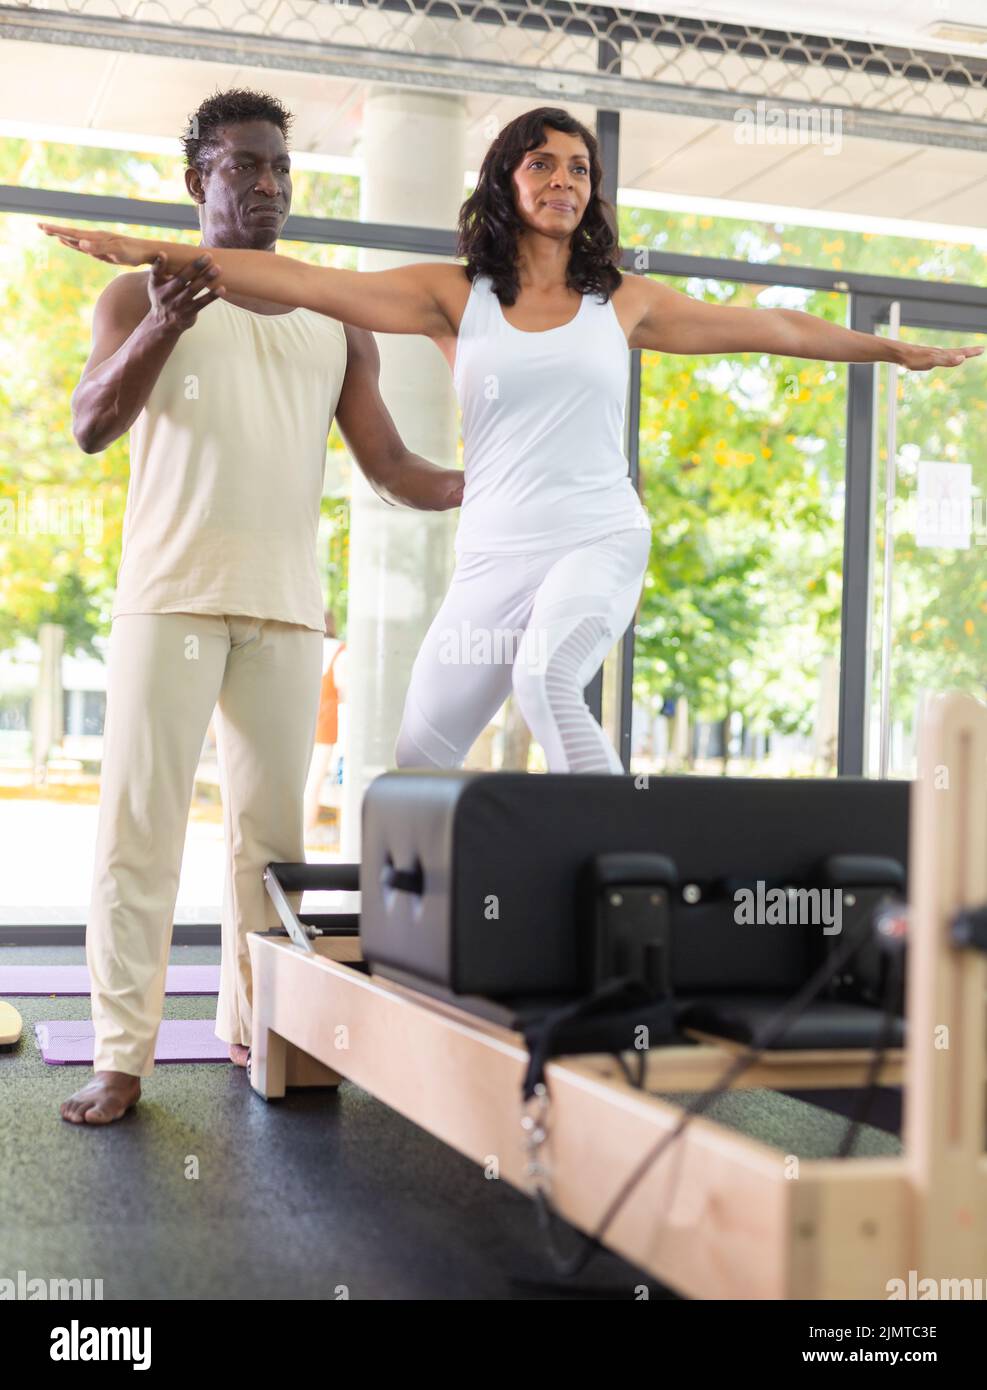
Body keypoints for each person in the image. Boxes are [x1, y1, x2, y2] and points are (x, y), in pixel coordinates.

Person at [41, 106, 983, 777]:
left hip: (596, 536)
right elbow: (308, 281)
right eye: (543, 164)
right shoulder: (454, 296)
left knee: (546, 679)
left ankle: (627, 896)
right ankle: (431, 963)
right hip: (493, 552)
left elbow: (773, 328)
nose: (564, 180)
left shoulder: (626, 301)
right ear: (505, 179)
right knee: (415, 763)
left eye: (579, 169)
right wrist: (164, 253)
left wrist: (890, 349)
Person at [53, 88, 462, 1126]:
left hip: (285, 611)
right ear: (200, 182)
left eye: (281, 166)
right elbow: (90, 426)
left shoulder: (334, 317)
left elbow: (392, 467)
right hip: (168, 598)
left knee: (270, 846)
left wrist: (492, 480)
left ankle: (256, 1031)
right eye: (245, 166)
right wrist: (158, 324)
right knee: (139, 834)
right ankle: (120, 1055)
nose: (269, 183)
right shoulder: (137, 294)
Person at [304, 609, 346, 839]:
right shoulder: (339, 650)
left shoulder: (307, 647)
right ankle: (308, 828)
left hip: (306, 719)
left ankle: (304, 828)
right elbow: (343, 687)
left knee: (307, 779)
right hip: (326, 723)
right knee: (315, 781)